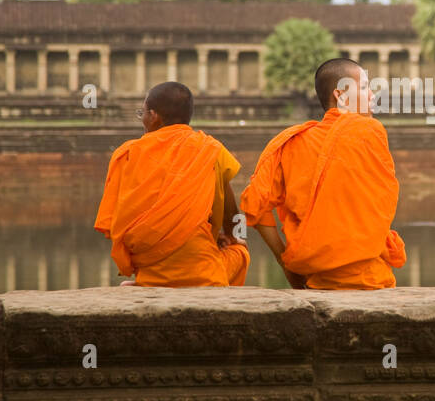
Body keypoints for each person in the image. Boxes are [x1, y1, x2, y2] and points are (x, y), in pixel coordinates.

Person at [240, 57, 406, 290]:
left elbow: (256, 207)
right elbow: (383, 204)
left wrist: (285, 261)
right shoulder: (369, 131)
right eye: (365, 87)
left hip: (313, 279)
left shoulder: (291, 143)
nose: (372, 95)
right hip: (369, 280)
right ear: (341, 95)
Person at [93, 81, 249, 287]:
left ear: (154, 116)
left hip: (151, 271)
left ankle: (146, 280)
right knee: (240, 249)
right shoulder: (210, 150)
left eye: (143, 113)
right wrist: (227, 237)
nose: (143, 119)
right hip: (204, 275)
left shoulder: (128, 154)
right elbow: (232, 217)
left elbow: (116, 224)